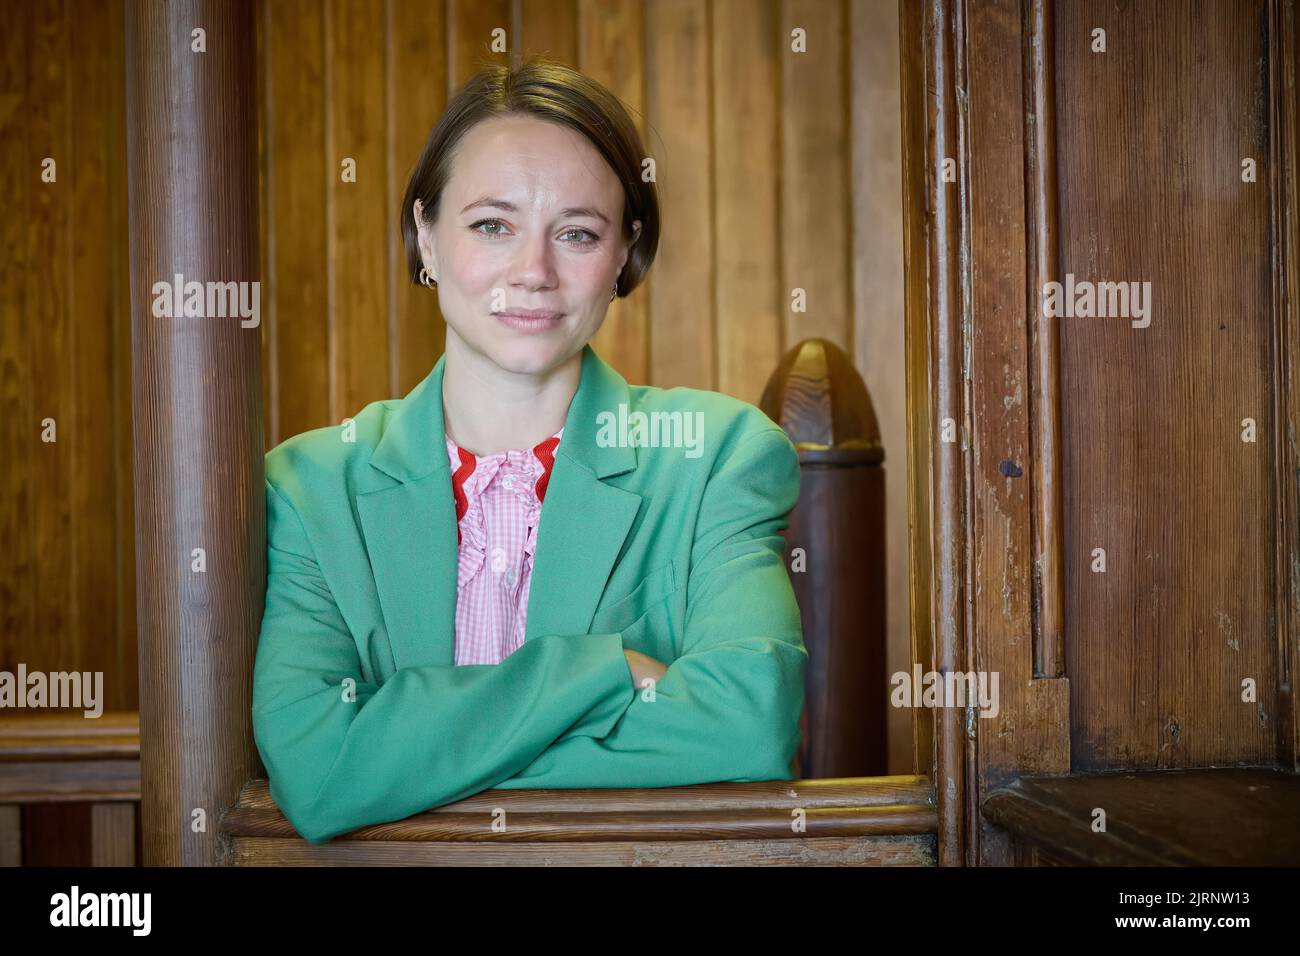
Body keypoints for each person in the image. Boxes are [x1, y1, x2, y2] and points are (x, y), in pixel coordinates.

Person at [252, 58, 806, 846]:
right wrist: (603, 672)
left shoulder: (716, 455)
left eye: (577, 233)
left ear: (623, 255)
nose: (534, 272)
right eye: (491, 225)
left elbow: (749, 724)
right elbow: (319, 766)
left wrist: (407, 755)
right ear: (427, 236)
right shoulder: (310, 486)